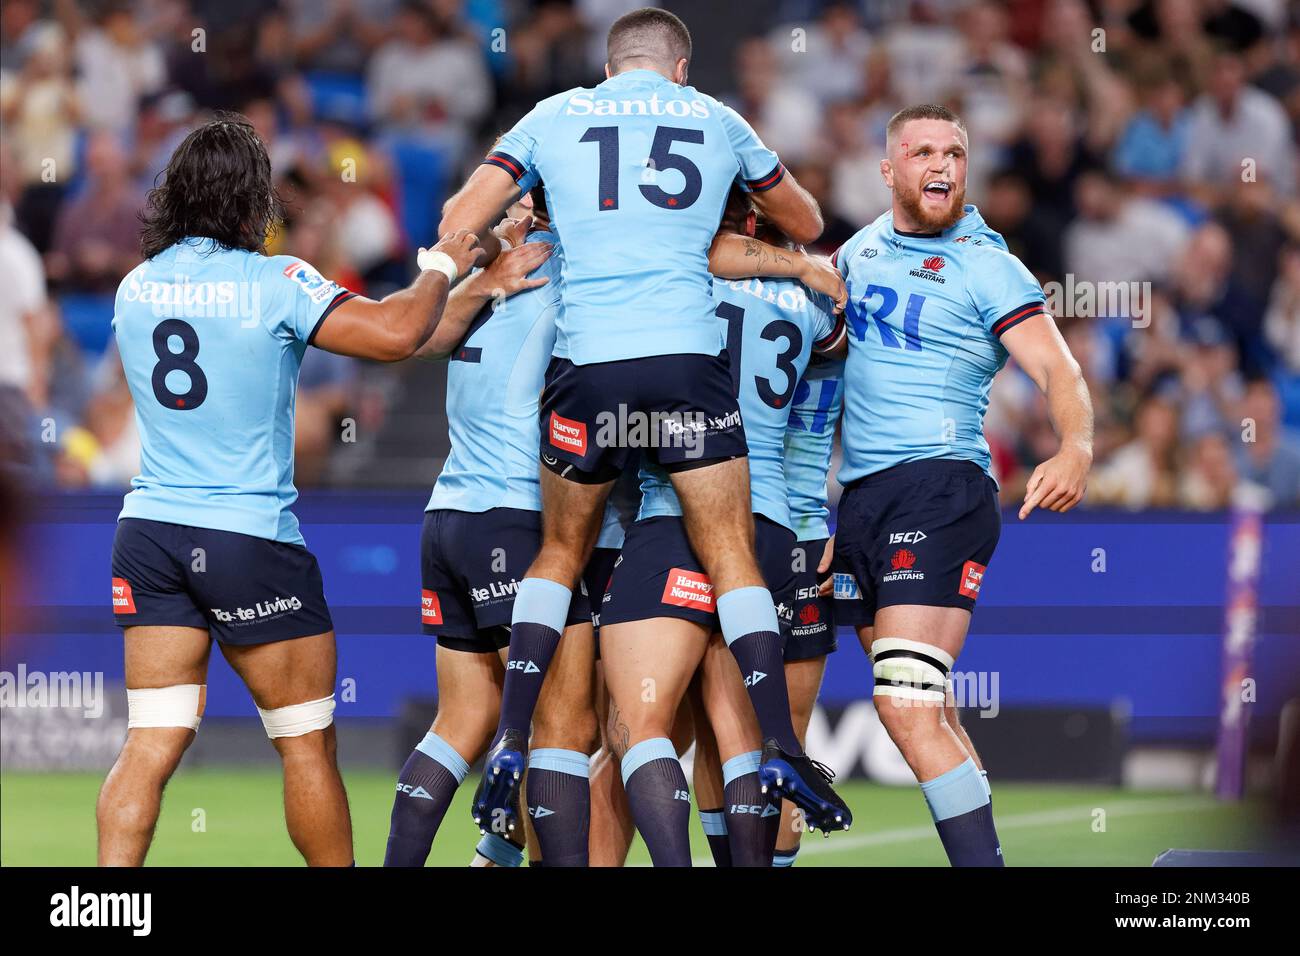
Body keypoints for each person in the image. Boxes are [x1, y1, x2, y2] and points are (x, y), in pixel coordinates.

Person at [437, 7, 848, 836]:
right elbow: (805, 221)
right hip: (686, 369)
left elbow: (458, 218)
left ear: (609, 62)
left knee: (560, 551)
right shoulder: (718, 118)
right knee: (730, 552)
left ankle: (513, 737)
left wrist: (494, 248)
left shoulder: (554, 115)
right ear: (682, 67)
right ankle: (780, 746)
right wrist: (772, 231)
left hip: (588, 372)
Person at [98, 114, 483, 866]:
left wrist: (461, 297)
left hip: (148, 536)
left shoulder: (136, 287)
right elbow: (395, 334)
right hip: (246, 537)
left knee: (151, 739)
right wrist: (440, 267)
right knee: (304, 744)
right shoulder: (274, 282)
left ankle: (109, 910)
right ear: (252, 204)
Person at [829, 104, 1094, 866]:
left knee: (903, 707)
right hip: (863, 501)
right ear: (889, 170)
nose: (941, 166)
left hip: (942, 489)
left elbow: (1058, 369)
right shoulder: (855, 254)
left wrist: (1074, 446)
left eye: (953, 153)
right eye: (922, 153)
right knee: (931, 709)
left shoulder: (987, 262)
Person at [599, 190, 847, 864]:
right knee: (739, 734)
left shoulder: (681, 273)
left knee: (639, 725)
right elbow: (817, 411)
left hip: (678, 515)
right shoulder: (814, 304)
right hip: (765, 527)